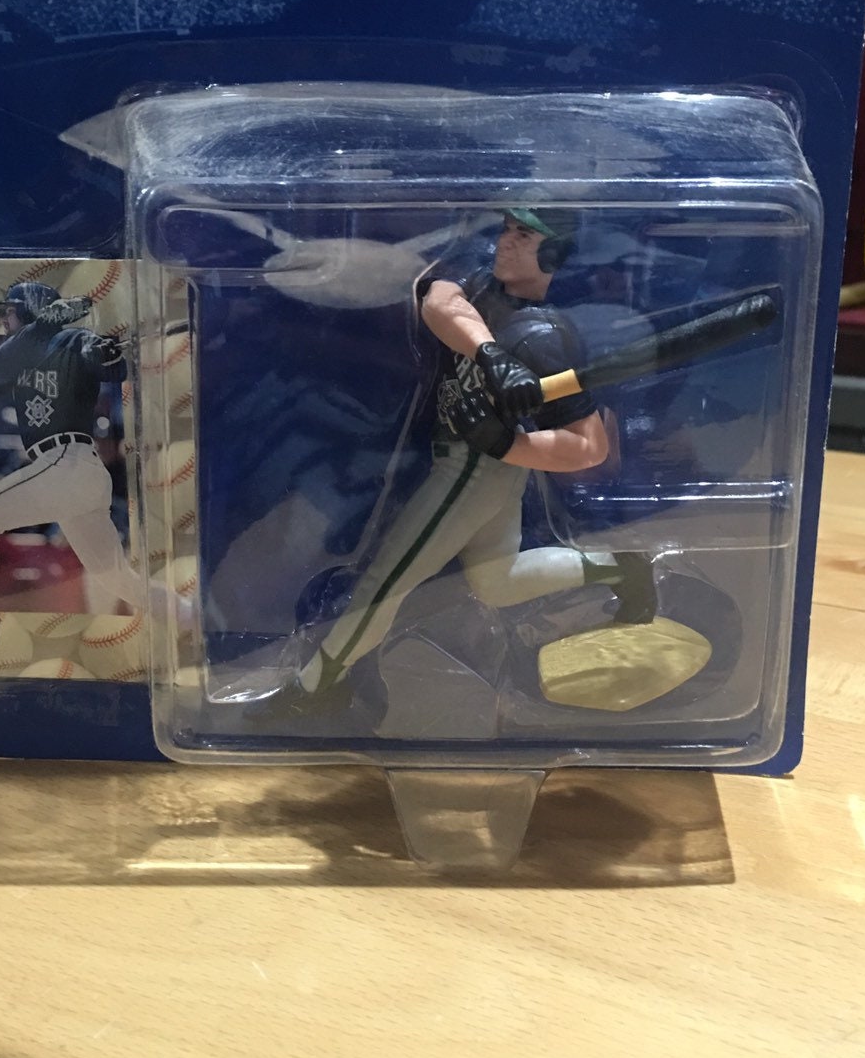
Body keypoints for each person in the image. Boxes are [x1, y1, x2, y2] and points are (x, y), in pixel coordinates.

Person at [277, 209, 657, 706]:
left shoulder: (545, 339)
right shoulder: (484, 288)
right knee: (497, 582)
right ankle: (618, 566)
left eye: (525, 235)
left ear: (552, 254)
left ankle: (314, 689)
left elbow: (590, 446)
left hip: (474, 467)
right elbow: (437, 299)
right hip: (475, 461)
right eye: (507, 229)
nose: (506, 241)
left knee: (385, 583)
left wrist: (508, 444)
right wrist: (491, 355)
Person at [0, 281, 131, 648]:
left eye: (10, 311)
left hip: (68, 458)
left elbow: (114, 370)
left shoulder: (75, 340)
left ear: (29, 309)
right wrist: (44, 324)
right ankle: (185, 612)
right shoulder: (20, 353)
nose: (4, 319)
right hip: (66, 468)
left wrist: (107, 353)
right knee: (119, 580)